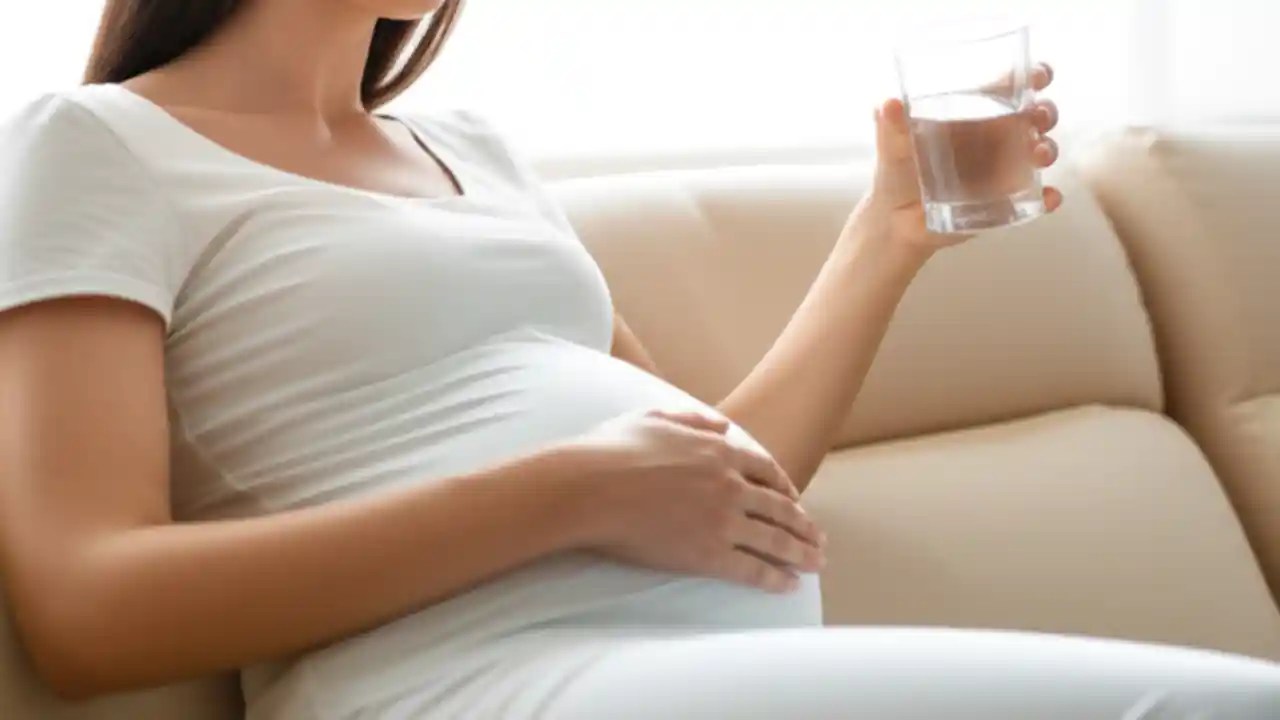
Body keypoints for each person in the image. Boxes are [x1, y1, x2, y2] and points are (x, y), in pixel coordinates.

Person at [0, 1, 1276, 718]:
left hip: (725, 674)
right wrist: (568, 493)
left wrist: (885, 237)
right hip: (482, 689)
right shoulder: (97, 144)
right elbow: (87, 606)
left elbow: (721, 479)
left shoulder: (475, 152)